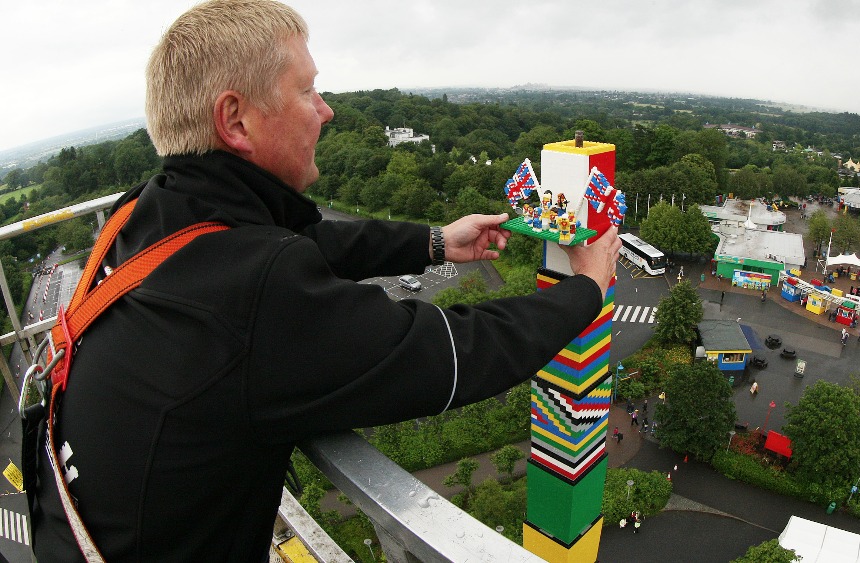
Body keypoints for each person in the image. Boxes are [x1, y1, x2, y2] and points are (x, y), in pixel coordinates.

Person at [25, 1, 621, 561]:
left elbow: (309, 242)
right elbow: (448, 352)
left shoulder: (146, 216)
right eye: (307, 89)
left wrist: (435, 240)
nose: (327, 109)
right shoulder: (253, 292)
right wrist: (585, 288)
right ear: (236, 120)